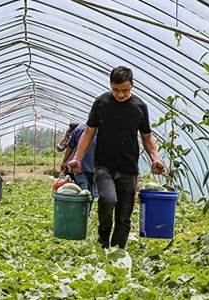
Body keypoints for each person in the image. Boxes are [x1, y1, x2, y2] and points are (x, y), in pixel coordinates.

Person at [68, 66, 164, 249]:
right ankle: (103, 240)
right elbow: (88, 133)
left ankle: (118, 251)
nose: (120, 95)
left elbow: (147, 137)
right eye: (116, 90)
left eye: (125, 90)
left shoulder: (139, 107)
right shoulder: (101, 103)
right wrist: (77, 158)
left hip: (128, 167)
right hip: (104, 165)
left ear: (132, 85)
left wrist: (155, 158)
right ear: (111, 85)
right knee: (108, 199)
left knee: (124, 214)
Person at [61, 123, 97, 200]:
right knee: (83, 191)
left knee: (90, 194)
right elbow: (70, 147)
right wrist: (64, 161)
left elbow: (70, 147)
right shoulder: (79, 129)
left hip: (93, 168)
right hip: (79, 168)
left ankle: (86, 210)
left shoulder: (101, 130)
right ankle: (79, 210)